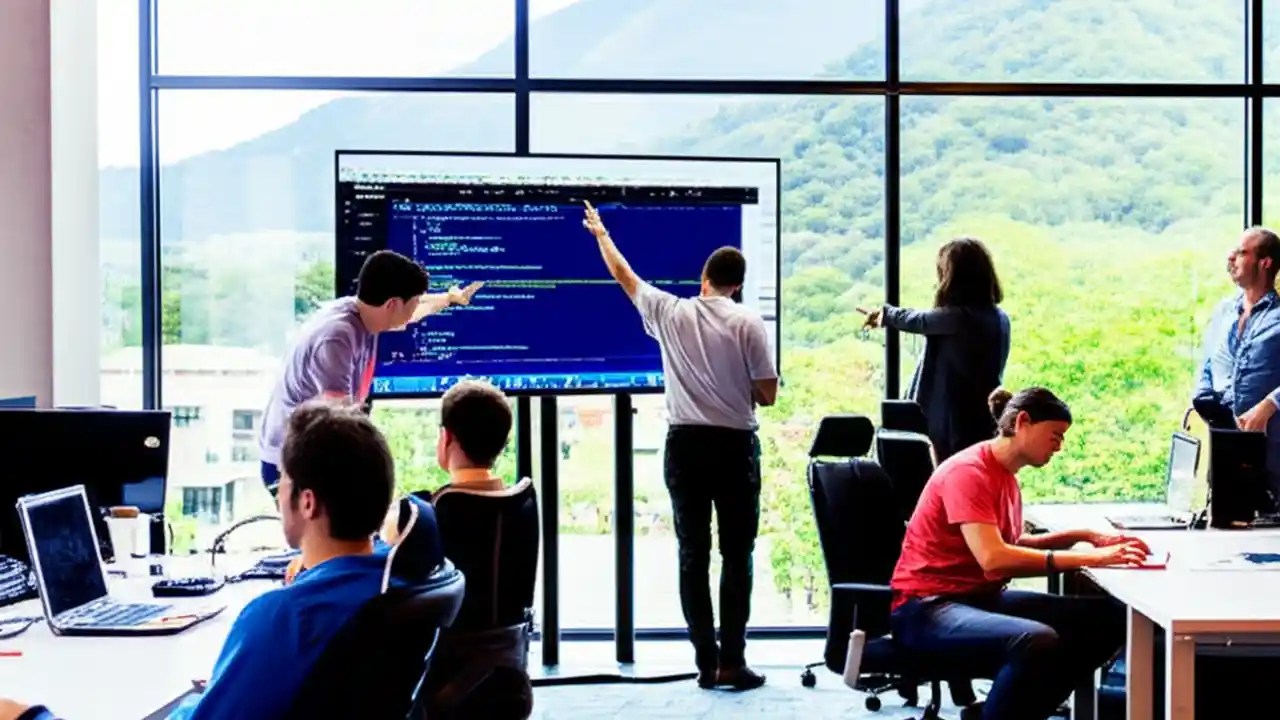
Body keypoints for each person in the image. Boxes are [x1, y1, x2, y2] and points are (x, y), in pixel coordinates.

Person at [3, 399, 443, 720]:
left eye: (282, 485)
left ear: (307, 502)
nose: (278, 498)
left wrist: (30, 718)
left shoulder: (283, 617)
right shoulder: (395, 583)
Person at [581, 201, 777, 690]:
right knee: (737, 555)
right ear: (738, 284)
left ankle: (704, 663)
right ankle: (733, 659)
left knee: (693, 553)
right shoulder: (749, 323)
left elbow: (626, 277)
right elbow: (768, 394)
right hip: (734, 448)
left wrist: (602, 234)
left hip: (684, 446)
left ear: (704, 278)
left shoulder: (670, 311)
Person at [889, 387, 1150, 720]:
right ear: (1023, 422)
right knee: (1035, 641)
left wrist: (1084, 537)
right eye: (1055, 435)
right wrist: (1093, 558)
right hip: (926, 608)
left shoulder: (1004, 475)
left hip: (974, 598)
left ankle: (1004, 711)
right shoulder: (969, 472)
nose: (1060, 445)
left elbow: (1012, 544)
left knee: (1112, 619)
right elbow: (994, 559)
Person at [258, 249, 482, 492]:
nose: (417, 307)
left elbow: (412, 312)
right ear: (392, 304)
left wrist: (449, 298)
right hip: (291, 461)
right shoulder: (337, 337)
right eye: (414, 301)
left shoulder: (365, 313)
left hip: (318, 446)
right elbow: (340, 419)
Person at [860, 236, 1011, 463]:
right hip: (982, 418)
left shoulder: (958, 318)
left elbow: (918, 320)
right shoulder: (999, 317)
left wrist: (885, 315)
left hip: (953, 422)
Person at [1193, 226, 1280, 501]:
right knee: (1227, 518)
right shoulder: (1224, 310)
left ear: (1265, 262)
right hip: (1224, 440)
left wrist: (1269, 405)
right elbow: (1210, 361)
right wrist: (1200, 401)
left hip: (1271, 446)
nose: (1231, 258)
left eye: (1242, 252)